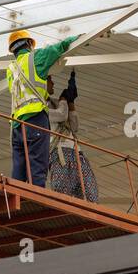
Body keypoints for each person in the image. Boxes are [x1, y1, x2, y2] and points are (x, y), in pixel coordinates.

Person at [6, 28, 77, 187]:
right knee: (37, 165)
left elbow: (24, 90)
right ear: (29, 44)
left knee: (19, 168)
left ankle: (16, 196)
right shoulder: (34, 59)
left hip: (17, 125)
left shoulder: (10, 70)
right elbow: (55, 49)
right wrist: (74, 38)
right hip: (35, 118)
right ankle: (36, 198)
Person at [47, 70, 99, 201]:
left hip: (76, 152)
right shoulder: (39, 107)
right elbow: (61, 115)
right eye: (49, 80)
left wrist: (71, 103)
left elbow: (74, 126)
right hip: (59, 153)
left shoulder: (56, 102)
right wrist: (64, 100)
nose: (52, 83)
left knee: (89, 192)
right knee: (62, 193)